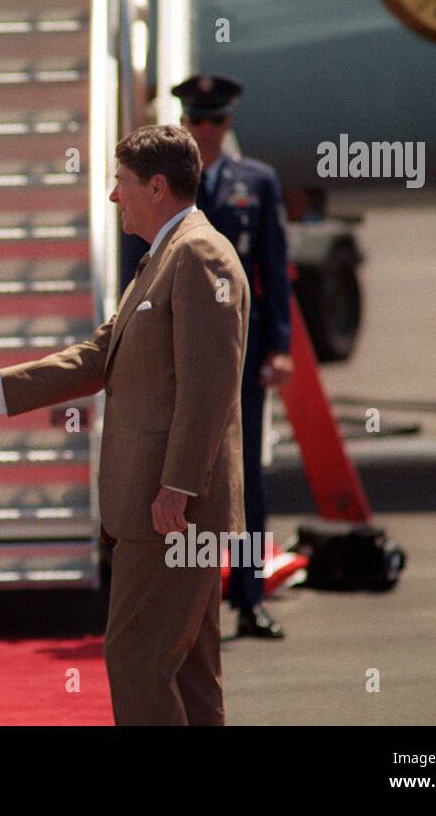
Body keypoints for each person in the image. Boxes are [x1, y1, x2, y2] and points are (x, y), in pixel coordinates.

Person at [0, 124, 248, 725]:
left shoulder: (198, 253)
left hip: (170, 509)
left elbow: (210, 387)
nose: (113, 196)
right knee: (186, 672)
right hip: (167, 505)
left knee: (137, 659)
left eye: (121, 183)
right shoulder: (164, 255)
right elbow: (94, 357)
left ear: (157, 186)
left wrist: (178, 486)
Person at [175, 73, 292, 639]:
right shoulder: (163, 183)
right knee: (180, 474)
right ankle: (187, 601)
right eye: (195, 120)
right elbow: (136, 269)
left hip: (242, 351)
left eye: (214, 120)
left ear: (228, 124)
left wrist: (281, 347)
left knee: (244, 477)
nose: (205, 132)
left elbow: (274, 271)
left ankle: (249, 597)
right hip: (181, 350)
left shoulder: (257, 181)